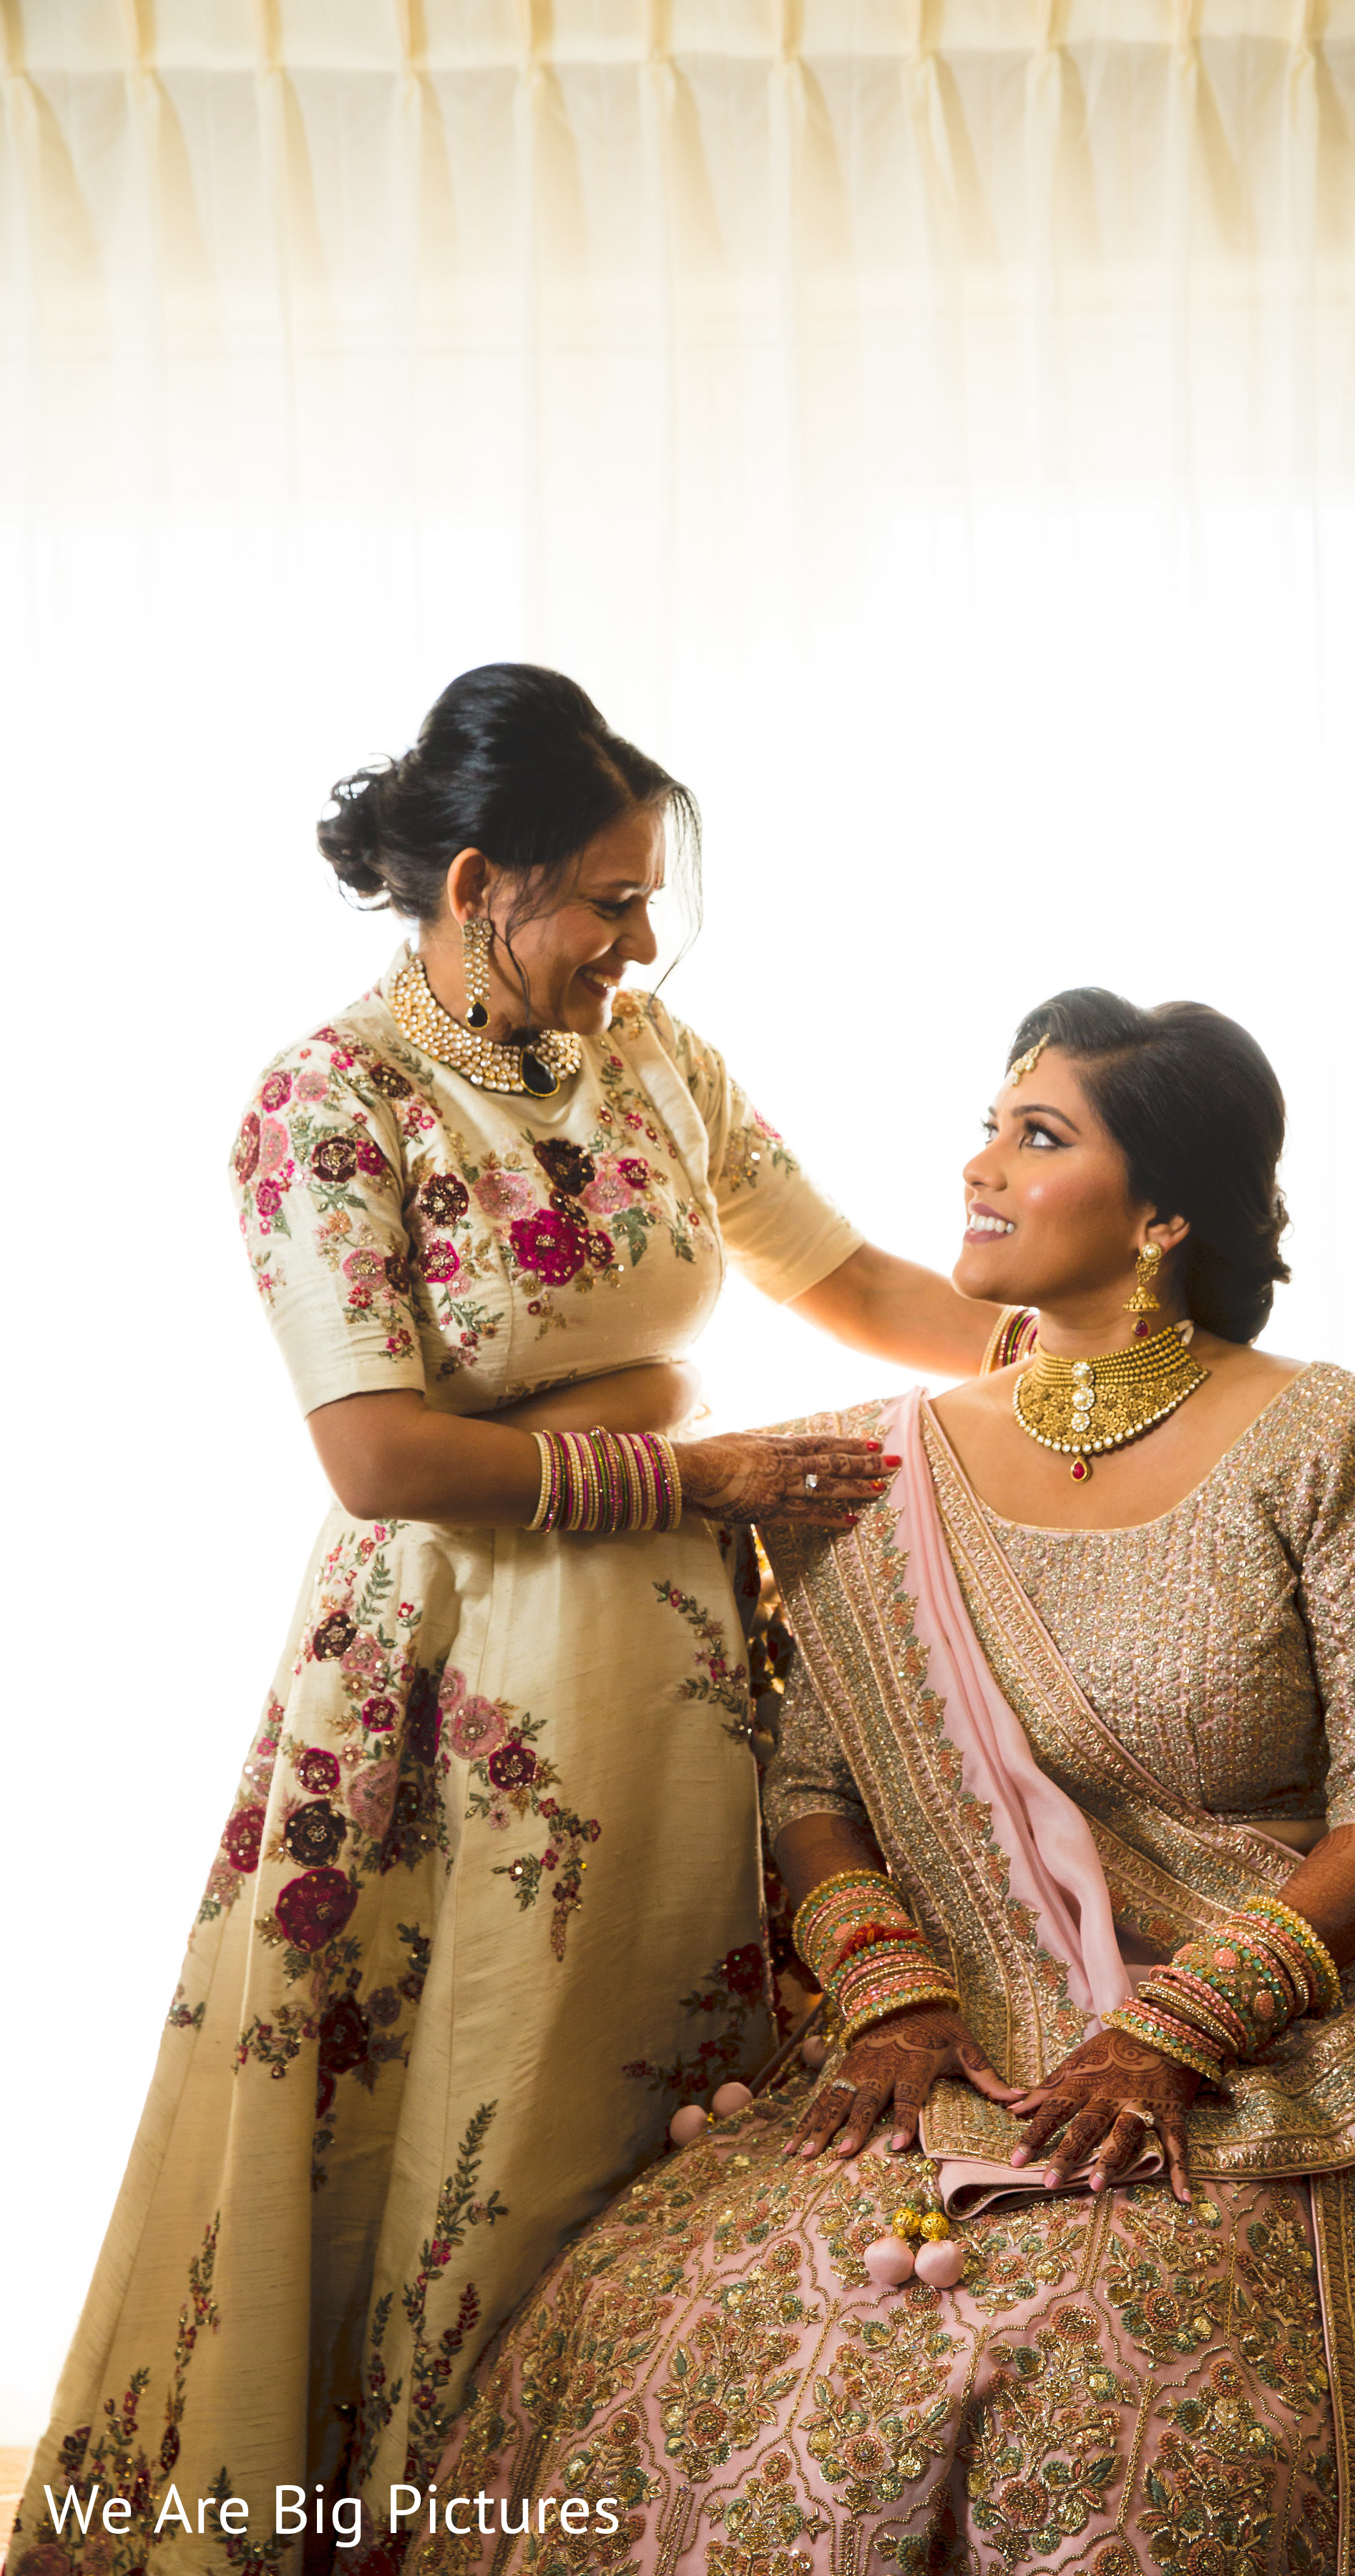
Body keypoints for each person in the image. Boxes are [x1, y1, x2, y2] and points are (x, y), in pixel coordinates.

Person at [407, 990, 1355, 2576]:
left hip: (1274, 2043)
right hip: (973, 2020)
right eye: (990, 1123)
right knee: (686, 2296)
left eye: (1037, 1135)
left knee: (1090, 2342)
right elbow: (816, 1784)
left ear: (1165, 1213)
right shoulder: (883, 1463)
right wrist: (894, 1996)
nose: (978, 1164)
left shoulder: (1330, 1440)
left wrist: (1170, 2035)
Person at [13, 665, 1002, 2567]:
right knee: (465, 2120)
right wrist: (682, 1469)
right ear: (483, 882)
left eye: (646, 904)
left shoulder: (663, 1065)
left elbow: (857, 1278)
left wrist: (1089, 1351)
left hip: (673, 1675)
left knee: (644, 2115)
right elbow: (381, 1459)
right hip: (446, 1678)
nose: (640, 944)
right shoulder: (331, 1102)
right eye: (611, 902)